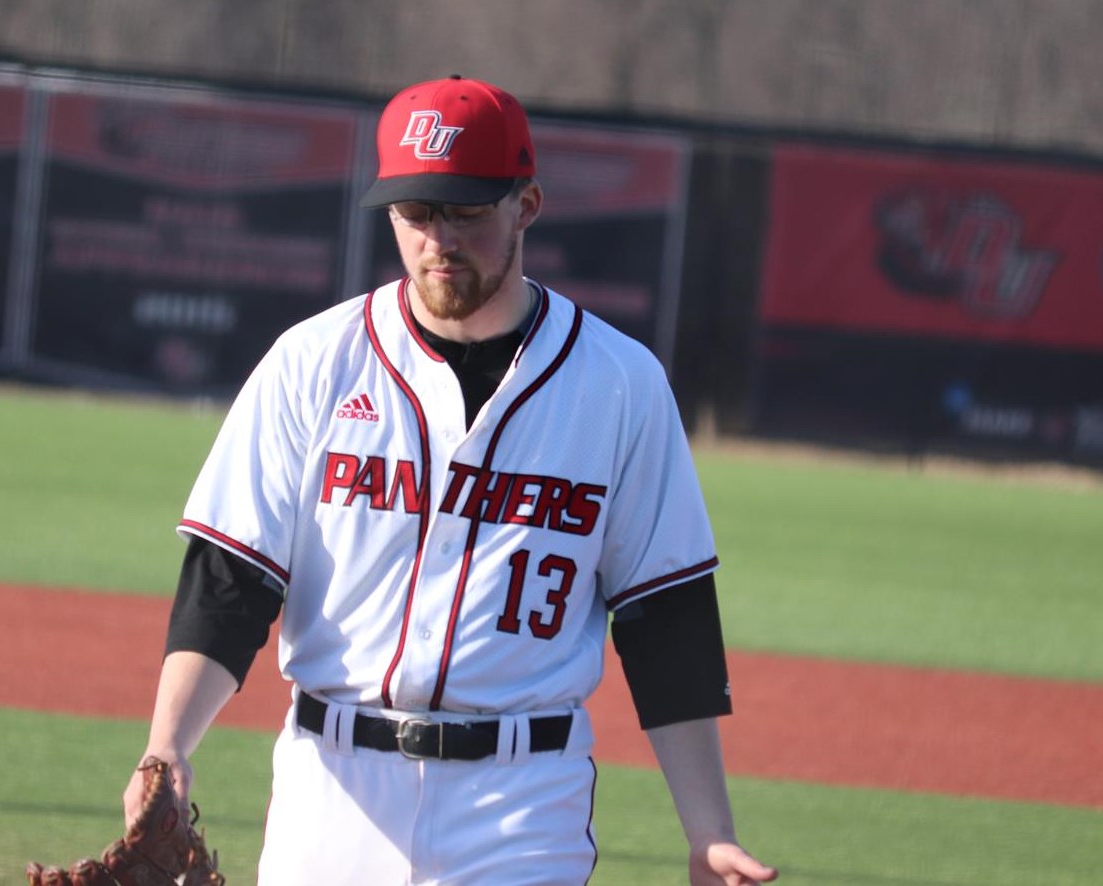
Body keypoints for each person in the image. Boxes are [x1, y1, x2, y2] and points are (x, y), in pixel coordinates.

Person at [123, 75, 778, 885]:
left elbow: (664, 613)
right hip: (332, 791)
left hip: (519, 799)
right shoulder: (314, 363)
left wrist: (706, 831)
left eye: (465, 211)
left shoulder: (619, 384)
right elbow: (233, 577)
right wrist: (167, 747)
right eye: (415, 212)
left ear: (526, 203)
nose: (438, 238)